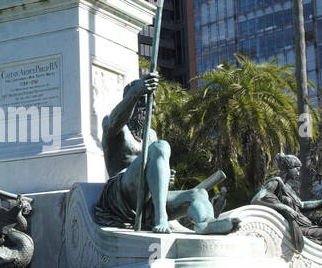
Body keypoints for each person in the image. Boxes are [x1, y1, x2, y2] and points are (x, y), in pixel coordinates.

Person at [93, 72, 236, 235]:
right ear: (132, 102)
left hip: (147, 202)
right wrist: (135, 92)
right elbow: (114, 122)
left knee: (198, 193)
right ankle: (161, 218)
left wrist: (165, 177)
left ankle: (206, 223)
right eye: (144, 101)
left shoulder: (151, 134)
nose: (151, 107)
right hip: (121, 194)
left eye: (152, 101)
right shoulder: (114, 126)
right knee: (161, 147)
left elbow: (154, 168)